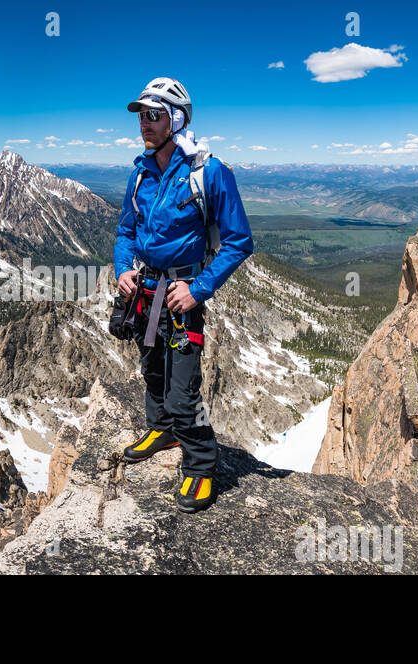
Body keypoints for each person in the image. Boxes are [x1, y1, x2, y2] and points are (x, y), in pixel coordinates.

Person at [113, 77, 253, 513]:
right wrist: (122, 270)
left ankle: (200, 465)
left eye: (154, 115)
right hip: (146, 288)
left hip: (181, 294)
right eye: (141, 115)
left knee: (182, 388)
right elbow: (126, 231)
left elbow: (238, 241)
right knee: (151, 367)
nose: (145, 124)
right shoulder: (141, 173)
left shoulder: (208, 172)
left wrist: (198, 289)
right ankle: (163, 429)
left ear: (176, 119)